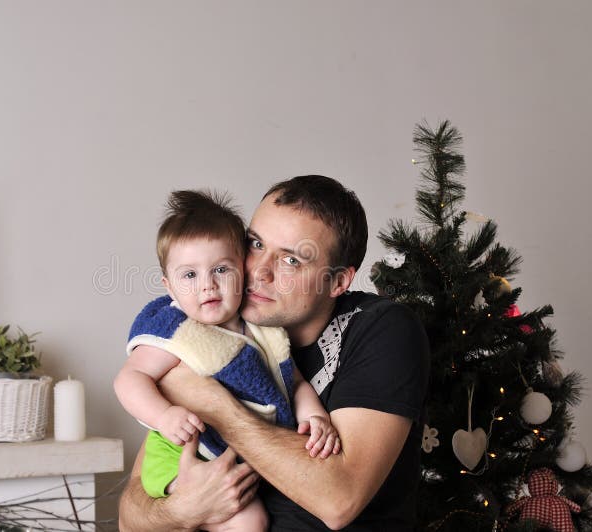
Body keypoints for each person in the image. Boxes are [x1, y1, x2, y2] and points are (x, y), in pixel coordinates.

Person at [118, 175, 430, 531]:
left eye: (292, 260)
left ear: (339, 281)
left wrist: (208, 400)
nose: (258, 272)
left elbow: (338, 501)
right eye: (255, 243)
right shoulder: (205, 327)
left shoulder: (382, 329)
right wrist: (182, 511)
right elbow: (131, 514)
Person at [114, 190, 341, 531]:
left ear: (243, 270)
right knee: (250, 520)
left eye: (221, 269)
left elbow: (293, 382)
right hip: (180, 454)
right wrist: (164, 415)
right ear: (169, 286)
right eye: (189, 275)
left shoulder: (262, 329)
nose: (208, 286)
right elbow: (129, 380)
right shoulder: (175, 331)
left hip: (234, 455)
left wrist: (315, 415)